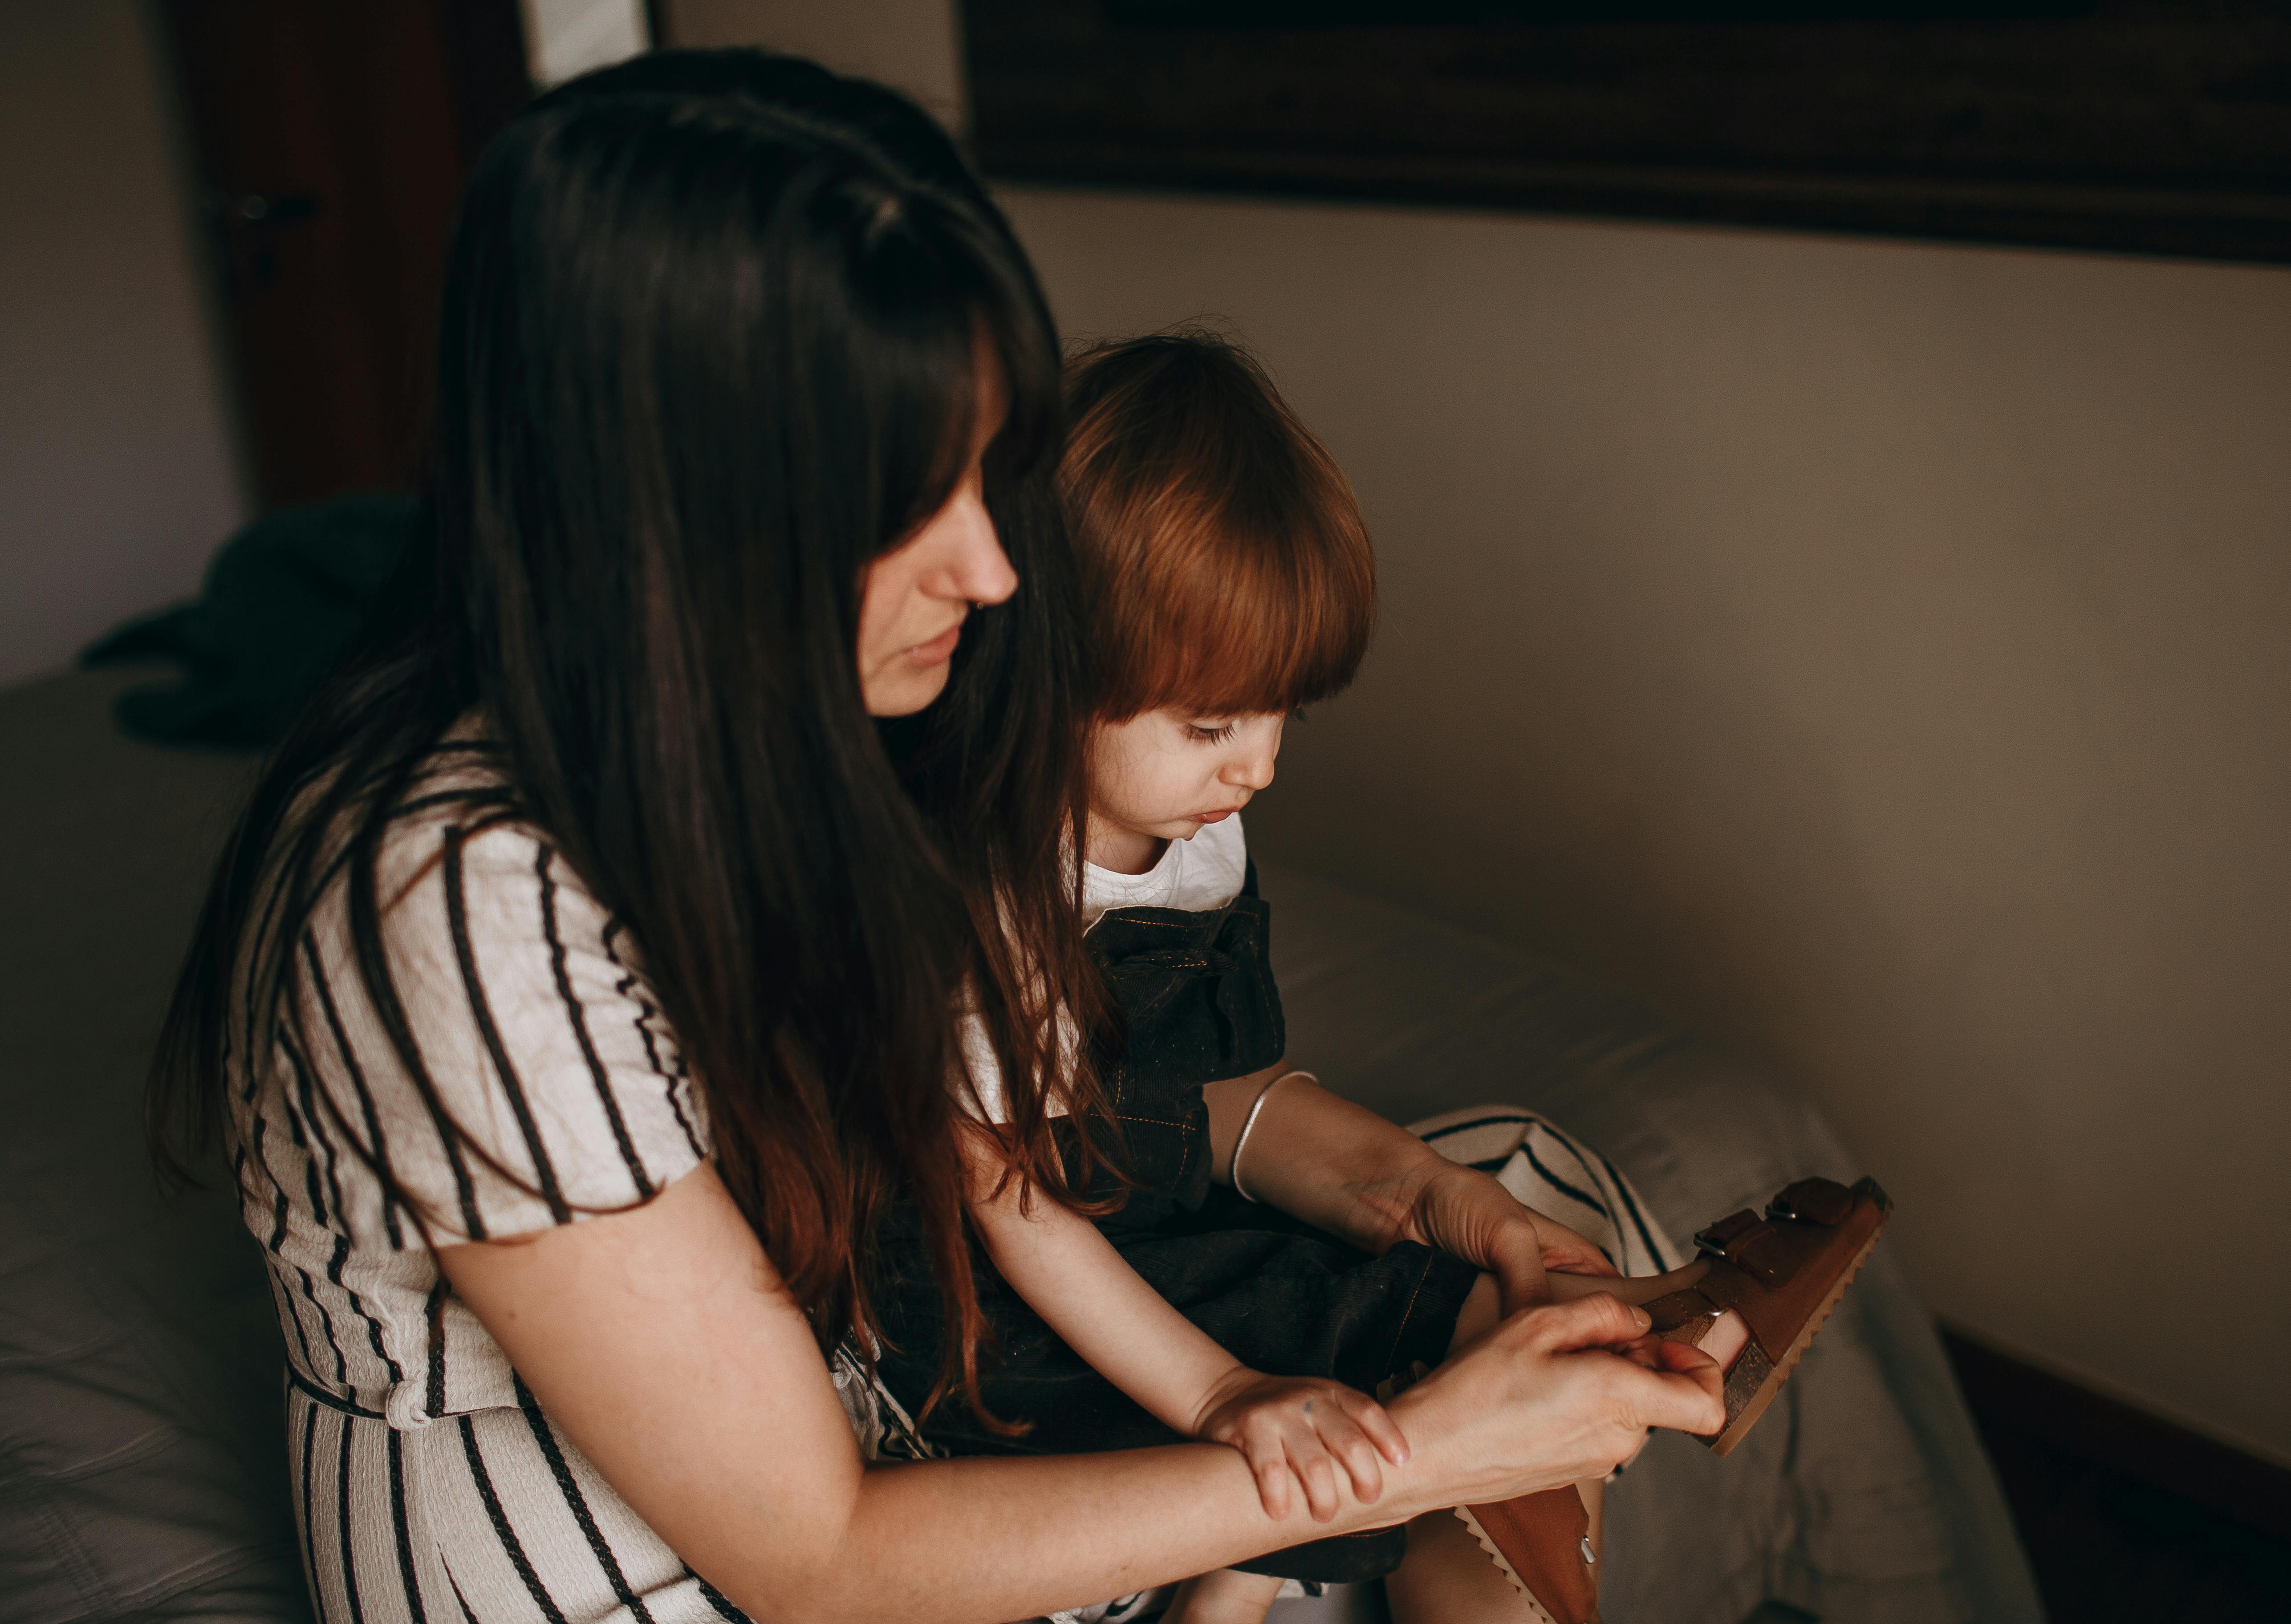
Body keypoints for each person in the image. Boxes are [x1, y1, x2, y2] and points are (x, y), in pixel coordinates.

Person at [143, 50, 1730, 1624]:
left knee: (1529, 1205)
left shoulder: (773, 728)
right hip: (634, 1564)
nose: (991, 571)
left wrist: (1424, 1257)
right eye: (918, 491)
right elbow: (814, 1559)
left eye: (994, 476)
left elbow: (1085, 1094)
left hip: (854, 1414)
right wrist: (1412, 1452)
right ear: (689, 506)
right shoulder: (462, 901)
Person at [873, 333, 1891, 1624]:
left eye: (1279, 716)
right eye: (1211, 727)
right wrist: (1221, 1397)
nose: (1259, 770)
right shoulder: (984, 891)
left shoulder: (1188, 829)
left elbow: (1219, 1100)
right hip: (993, 1307)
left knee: (1456, 1291)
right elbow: (1012, 1210)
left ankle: (1590, 1359)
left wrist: (1440, 1195)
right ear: (1051, 678)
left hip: (1136, 1215)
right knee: (1358, 1348)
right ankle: (1241, 1588)